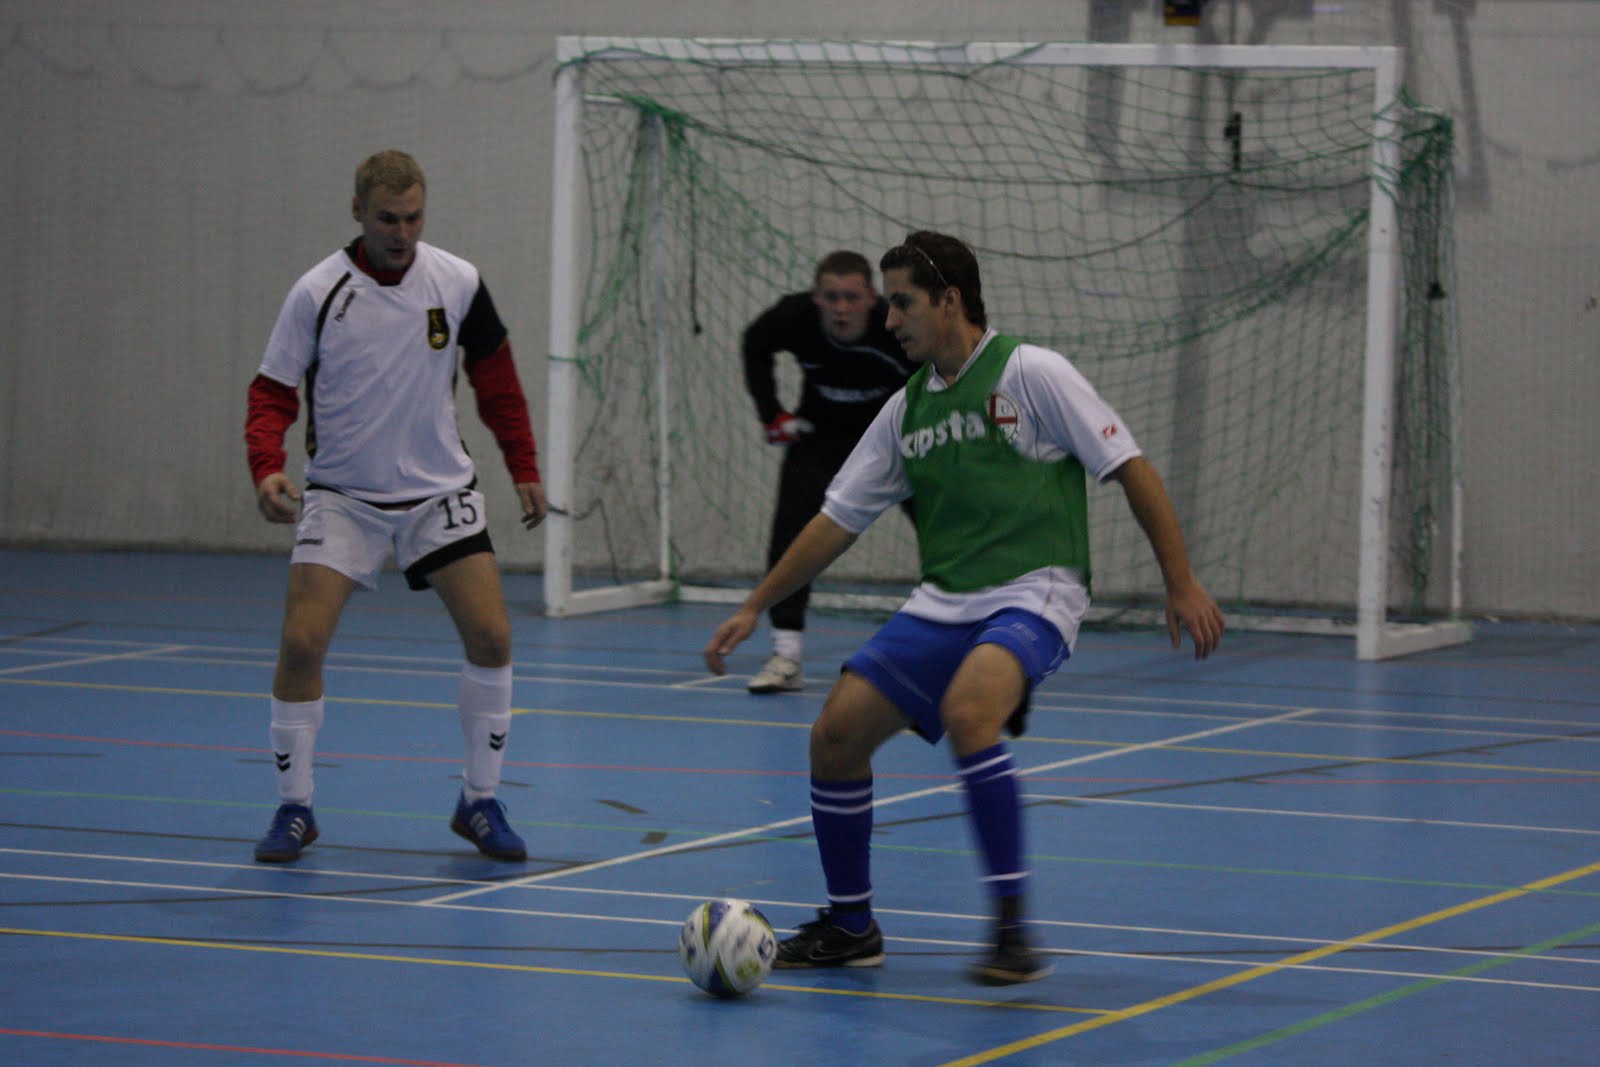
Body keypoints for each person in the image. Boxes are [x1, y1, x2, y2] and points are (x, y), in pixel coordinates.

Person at [704, 230, 1224, 984]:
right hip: (945, 600)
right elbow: (835, 520)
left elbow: (1129, 466)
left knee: (971, 711)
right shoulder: (906, 408)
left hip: (1036, 590)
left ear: (951, 300)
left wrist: (1180, 579)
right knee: (835, 735)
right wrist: (756, 604)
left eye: (903, 303)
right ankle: (852, 925)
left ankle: (1013, 930)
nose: (890, 321)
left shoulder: (1031, 372)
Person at [243, 149, 547, 864]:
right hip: (344, 497)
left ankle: (479, 800)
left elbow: (497, 382)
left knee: (494, 638)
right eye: (387, 218)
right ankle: (294, 807)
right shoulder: (317, 291)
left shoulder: (459, 282)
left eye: (413, 217)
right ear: (357, 211)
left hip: (438, 493)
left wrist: (523, 465)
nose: (402, 231)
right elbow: (272, 393)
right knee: (301, 644)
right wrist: (267, 469)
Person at [740, 251, 916, 694]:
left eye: (851, 298)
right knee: (791, 534)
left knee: (948, 533)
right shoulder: (793, 317)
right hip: (822, 437)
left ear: (872, 298)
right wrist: (771, 415)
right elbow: (753, 344)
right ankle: (786, 654)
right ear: (816, 299)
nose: (841, 308)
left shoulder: (897, 327)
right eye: (831, 297)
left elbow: (941, 373)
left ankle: (968, 645)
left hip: (896, 440)